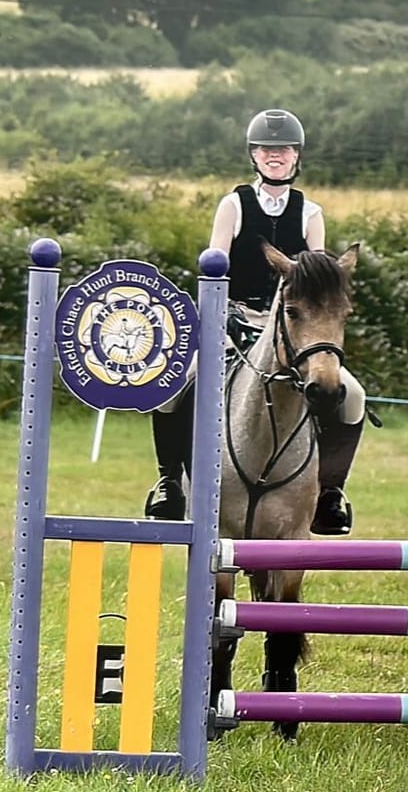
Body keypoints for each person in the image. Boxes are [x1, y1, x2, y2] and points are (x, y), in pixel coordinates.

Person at [143, 108, 367, 533]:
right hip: (233, 318)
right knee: (173, 386)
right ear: (254, 155)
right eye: (266, 149)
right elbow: (213, 269)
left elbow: (316, 283)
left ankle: (330, 492)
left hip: (291, 327)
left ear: (297, 156)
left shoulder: (310, 213)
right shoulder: (234, 205)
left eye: (283, 149)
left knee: (352, 396)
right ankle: (170, 482)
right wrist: (219, 318)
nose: (275, 155)